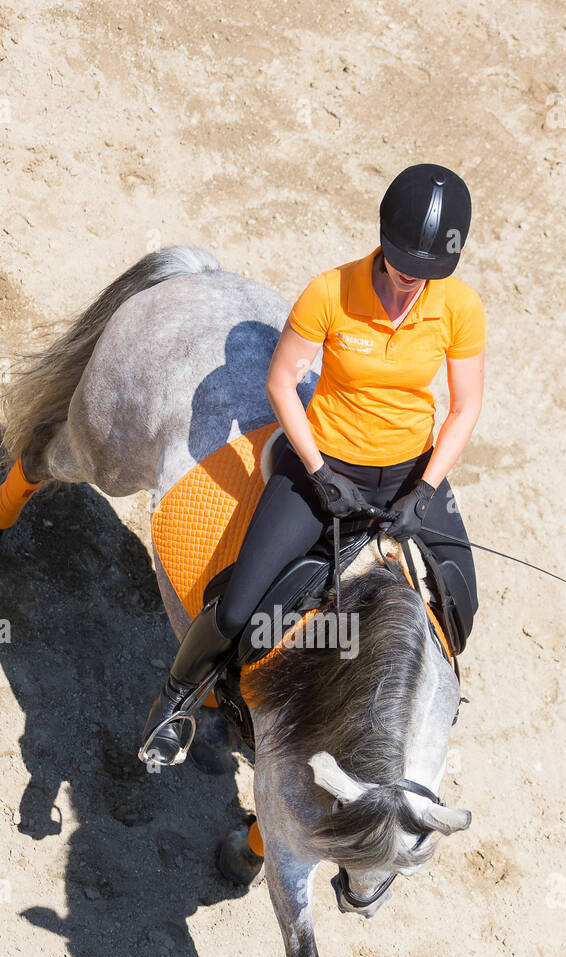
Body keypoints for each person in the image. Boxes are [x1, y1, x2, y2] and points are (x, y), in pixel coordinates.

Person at [142, 162, 486, 766]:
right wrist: (320, 472)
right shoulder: (331, 292)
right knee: (239, 607)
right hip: (325, 467)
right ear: (382, 242)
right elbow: (281, 383)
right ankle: (175, 702)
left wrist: (425, 491)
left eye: (424, 278)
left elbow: (465, 408)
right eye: (403, 270)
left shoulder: (457, 307)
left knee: (462, 599)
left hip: (411, 472)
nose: (409, 287)